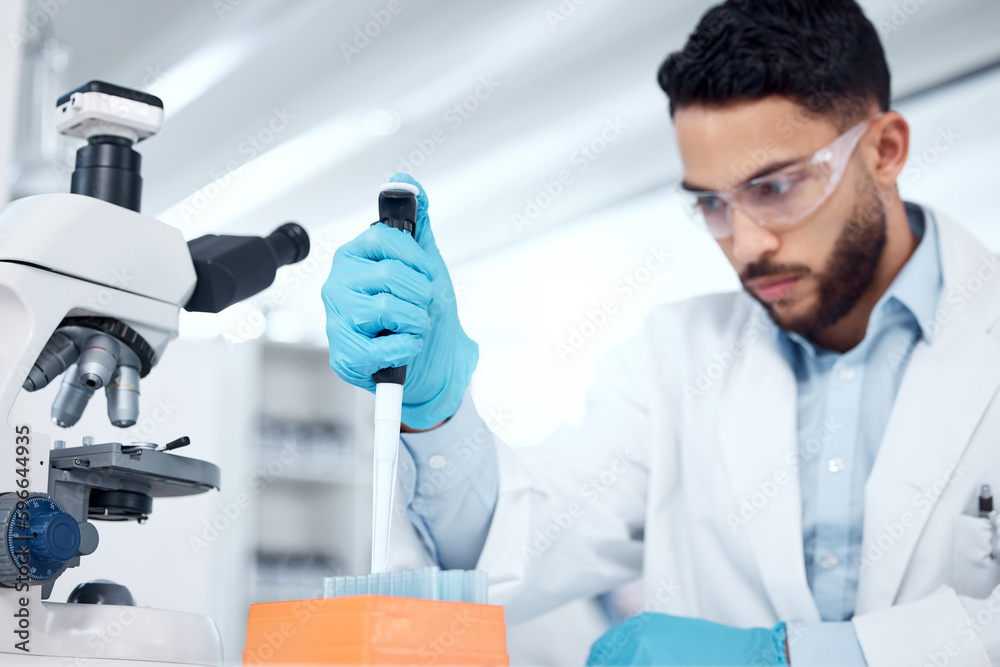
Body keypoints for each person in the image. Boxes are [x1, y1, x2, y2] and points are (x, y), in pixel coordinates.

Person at [322, 0, 1000, 664]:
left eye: (778, 186)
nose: (748, 243)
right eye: (713, 202)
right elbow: (515, 549)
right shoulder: (677, 357)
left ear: (885, 149)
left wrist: (793, 657)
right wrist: (436, 416)